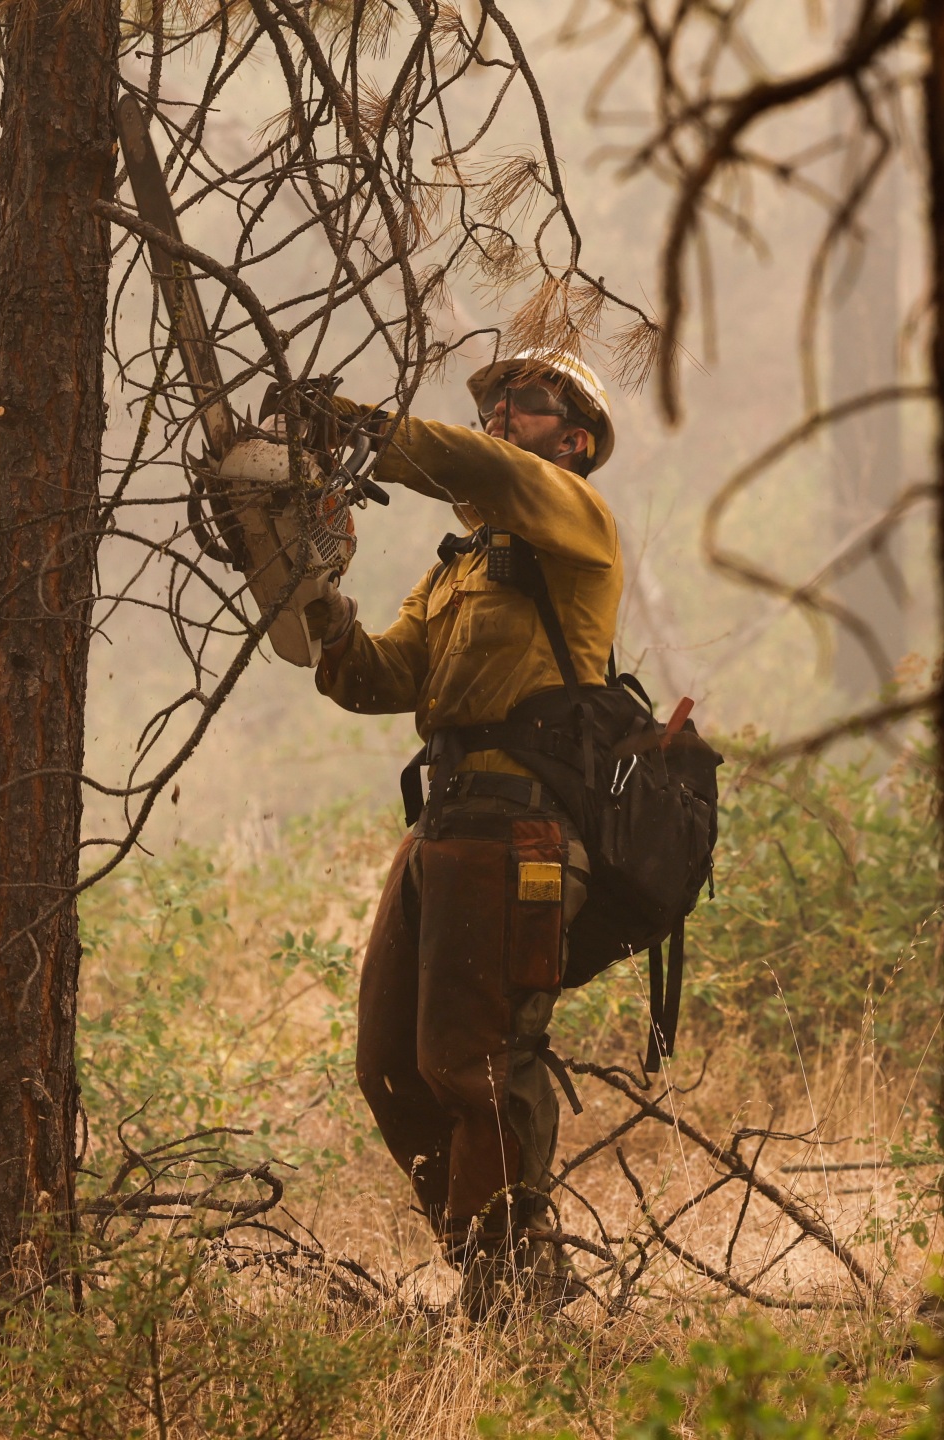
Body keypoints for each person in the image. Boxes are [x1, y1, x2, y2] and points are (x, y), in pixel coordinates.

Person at [300, 348, 620, 1317]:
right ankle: (501, 1256)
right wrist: (313, 589)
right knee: (391, 1065)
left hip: (519, 827)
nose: (496, 417)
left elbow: (476, 471)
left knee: (472, 1063)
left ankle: (506, 1283)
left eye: (521, 404)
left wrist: (354, 428)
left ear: (574, 441)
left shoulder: (575, 518)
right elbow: (376, 679)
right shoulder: (459, 570)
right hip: (445, 824)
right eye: (487, 405)